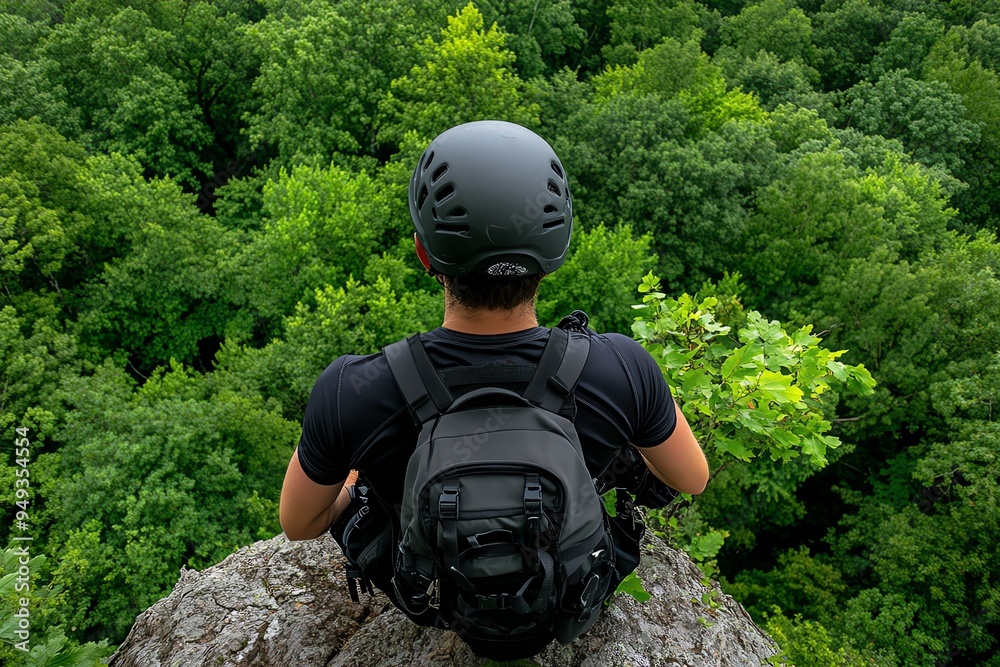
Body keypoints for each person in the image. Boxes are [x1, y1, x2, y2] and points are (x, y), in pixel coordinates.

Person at [279, 119, 709, 611]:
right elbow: (691, 478)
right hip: (566, 592)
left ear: (424, 253)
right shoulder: (621, 367)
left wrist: (350, 488)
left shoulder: (352, 389)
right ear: (555, 255)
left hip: (433, 599)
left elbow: (299, 523)